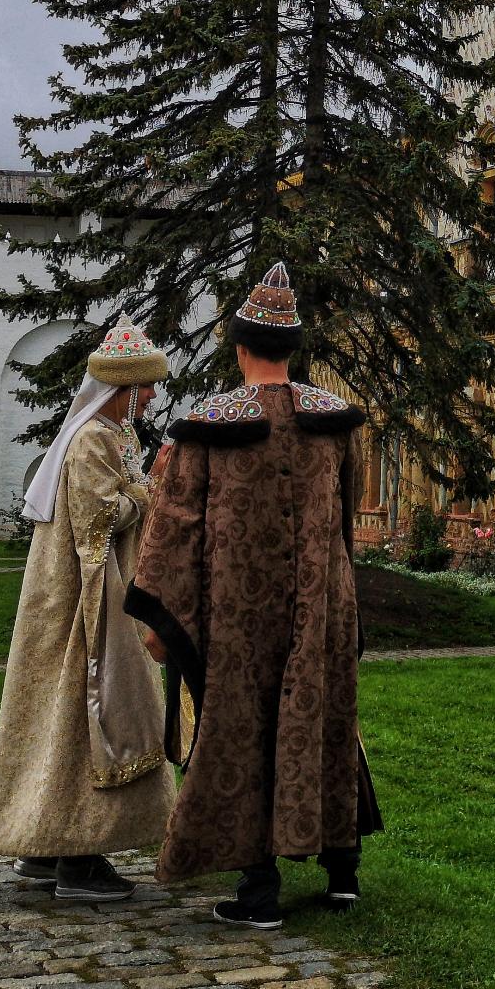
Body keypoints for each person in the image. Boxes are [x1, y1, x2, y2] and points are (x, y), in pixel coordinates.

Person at [126, 263, 382, 930]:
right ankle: (342, 870)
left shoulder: (208, 425)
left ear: (240, 347)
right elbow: (347, 519)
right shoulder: (333, 421)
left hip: (236, 613)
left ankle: (259, 890)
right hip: (321, 602)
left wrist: (162, 614)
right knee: (323, 722)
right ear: (293, 349)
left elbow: (175, 524)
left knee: (241, 737)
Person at [0, 318, 175, 902]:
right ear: (124, 389)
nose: (150, 398)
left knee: (63, 716)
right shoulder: (92, 437)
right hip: (85, 597)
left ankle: (45, 847)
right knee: (87, 710)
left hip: (99, 585)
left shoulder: (120, 437)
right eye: (145, 388)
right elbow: (93, 523)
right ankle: (77, 857)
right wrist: (151, 491)